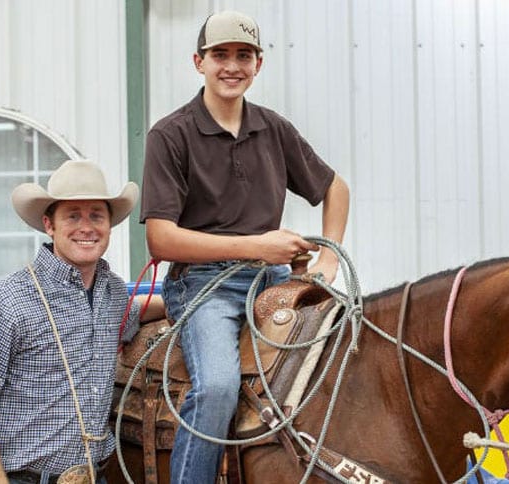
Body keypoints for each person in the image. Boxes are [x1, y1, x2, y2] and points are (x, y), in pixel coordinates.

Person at [140, 10, 350, 484]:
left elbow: (335, 187)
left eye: (243, 55)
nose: (231, 66)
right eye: (220, 55)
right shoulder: (170, 135)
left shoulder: (273, 129)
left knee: (353, 351)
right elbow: (161, 237)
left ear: (258, 65)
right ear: (199, 62)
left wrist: (329, 256)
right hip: (202, 286)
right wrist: (258, 246)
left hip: (273, 281)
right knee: (216, 388)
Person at [0, 159, 166, 484]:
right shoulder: (3, 299)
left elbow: (136, 310)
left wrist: (185, 302)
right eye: (73, 215)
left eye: (96, 215)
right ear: (49, 225)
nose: (86, 226)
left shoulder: (113, 294)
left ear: (109, 225)